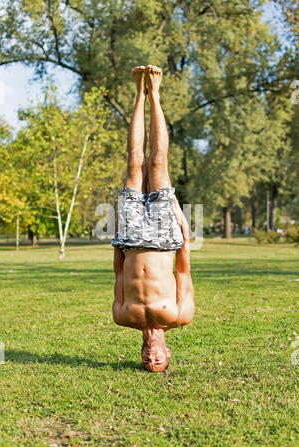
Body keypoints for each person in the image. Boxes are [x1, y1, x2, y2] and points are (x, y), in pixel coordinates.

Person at [112, 65, 195, 372]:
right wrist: (184, 230)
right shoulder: (179, 316)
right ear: (168, 354)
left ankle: (138, 93)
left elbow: (119, 275)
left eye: (147, 361)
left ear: (142, 355)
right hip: (164, 239)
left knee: (136, 162)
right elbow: (184, 273)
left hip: (131, 238)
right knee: (157, 162)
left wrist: (118, 237)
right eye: (158, 360)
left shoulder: (123, 317)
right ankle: (155, 94)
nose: (152, 357)